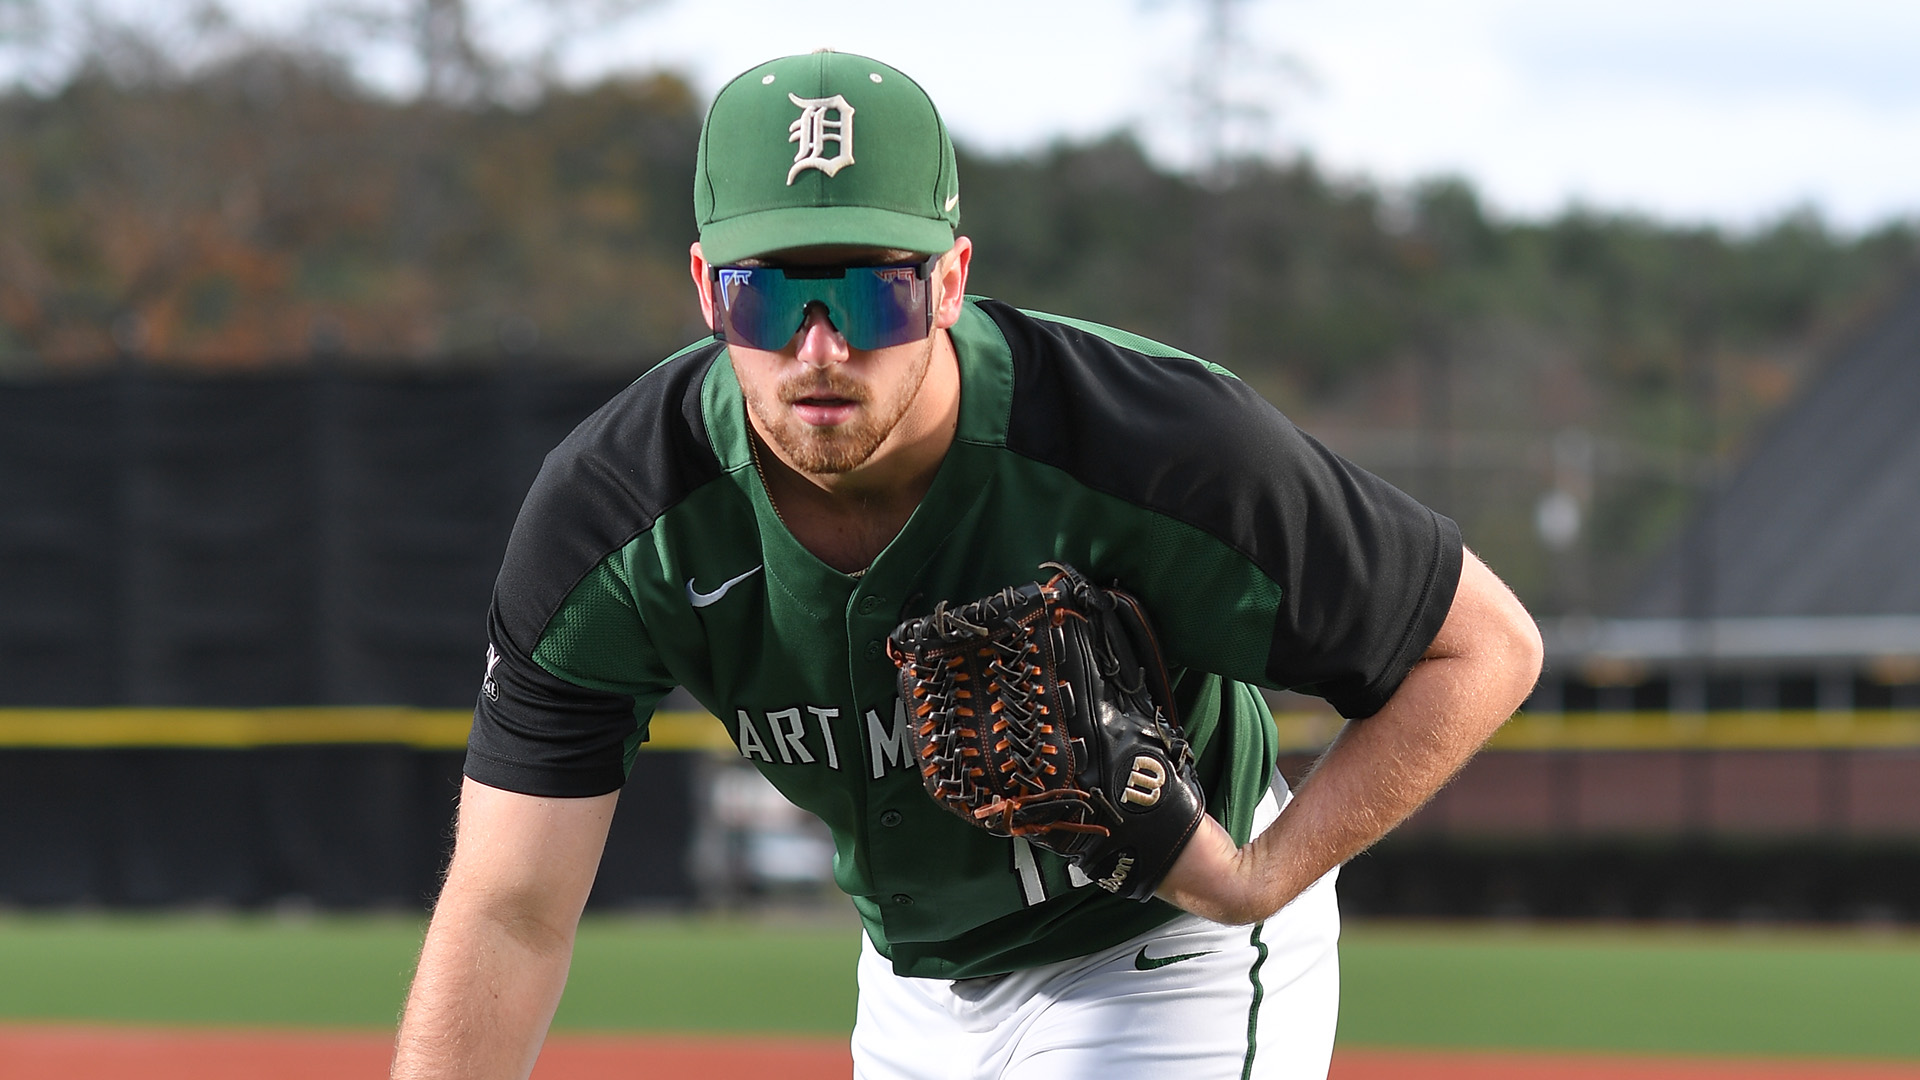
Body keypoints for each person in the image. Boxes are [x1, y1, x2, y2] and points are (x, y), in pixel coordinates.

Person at [391, 49, 1542, 1080]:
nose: (821, 346)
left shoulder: (1155, 448)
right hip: (916, 991)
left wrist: (1259, 879)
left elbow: (1484, 647)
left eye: (873, 288)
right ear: (705, 290)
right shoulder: (613, 521)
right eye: (770, 291)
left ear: (950, 281)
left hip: (1161, 948)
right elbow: (508, 912)